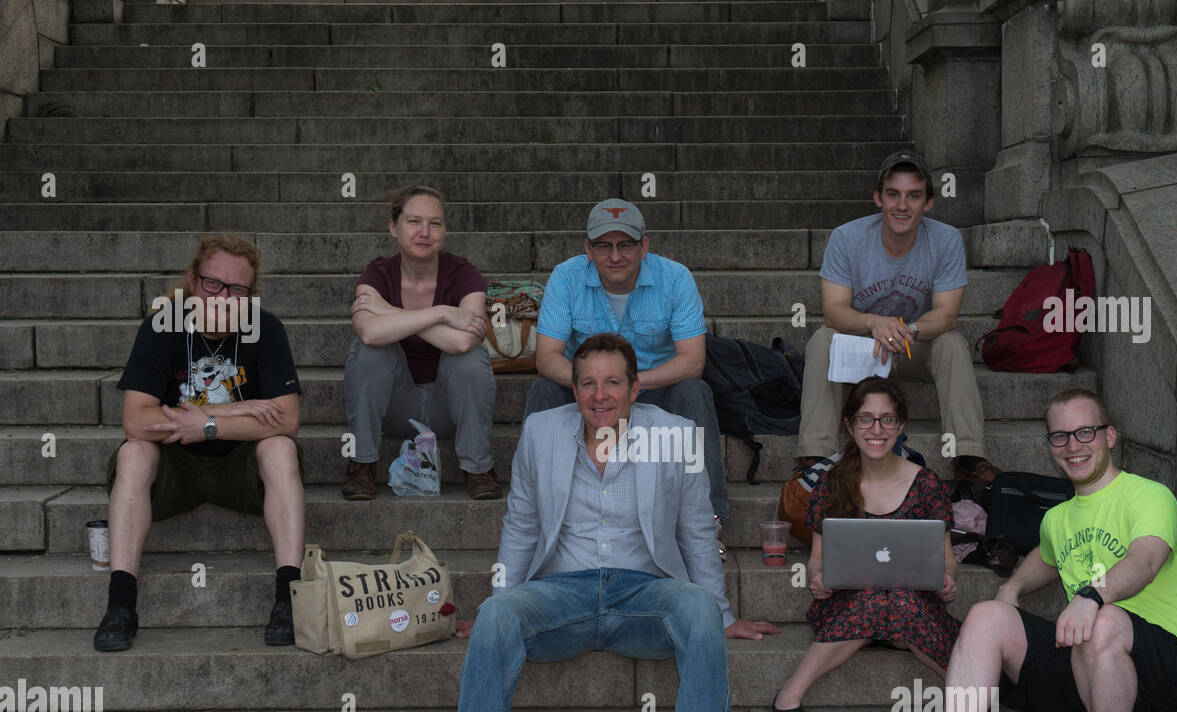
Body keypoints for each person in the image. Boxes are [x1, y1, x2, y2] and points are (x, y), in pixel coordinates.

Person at [437, 333, 779, 712]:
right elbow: (522, 524)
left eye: (613, 382)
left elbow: (697, 531)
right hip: (561, 595)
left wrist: (722, 615)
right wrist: (496, 604)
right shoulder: (540, 431)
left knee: (698, 605)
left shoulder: (678, 433)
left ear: (636, 388)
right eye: (589, 383)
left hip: (644, 596)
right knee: (499, 616)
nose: (601, 395)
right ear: (573, 391)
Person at [857, 388, 1177, 712]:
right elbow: (1043, 558)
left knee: (1104, 620)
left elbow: (1145, 560)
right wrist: (1012, 591)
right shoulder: (1058, 518)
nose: (1072, 446)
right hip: (1096, 678)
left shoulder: (1147, 496)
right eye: (1059, 437)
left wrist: (1092, 595)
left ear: (1110, 437)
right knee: (987, 615)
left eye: (1085, 432)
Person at [93, 234, 305, 651]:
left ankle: (290, 599)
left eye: (238, 289)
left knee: (279, 449)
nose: (224, 297)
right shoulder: (162, 326)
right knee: (134, 453)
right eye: (213, 284)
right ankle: (121, 605)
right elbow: (137, 421)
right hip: (176, 467)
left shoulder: (266, 328)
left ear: (250, 293)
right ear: (193, 281)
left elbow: (288, 421)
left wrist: (209, 421)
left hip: (240, 469)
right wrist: (243, 410)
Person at [524, 198, 729, 543]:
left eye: (626, 244)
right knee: (542, 391)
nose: (615, 256)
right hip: (591, 391)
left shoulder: (675, 277)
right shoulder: (566, 277)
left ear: (644, 246)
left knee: (695, 392)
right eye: (604, 245)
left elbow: (692, 362)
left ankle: (708, 521)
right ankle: (538, 517)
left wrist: (628, 386)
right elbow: (547, 358)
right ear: (587, 249)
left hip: (653, 386)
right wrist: (595, 386)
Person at [798, 150, 999, 487]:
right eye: (893, 194)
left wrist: (905, 330)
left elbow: (947, 315)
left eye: (913, 195)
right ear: (879, 198)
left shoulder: (946, 240)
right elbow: (834, 311)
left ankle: (968, 456)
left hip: (911, 346)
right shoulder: (847, 238)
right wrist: (876, 323)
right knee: (822, 340)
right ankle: (815, 457)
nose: (902, 206)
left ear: (929, 202)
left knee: (952, 343)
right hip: (863, 347)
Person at [772, 378, 959, 712]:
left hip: (913, 601)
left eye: (887, 419)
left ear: (900, 425)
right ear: (849, 425)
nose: (877, 429)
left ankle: (963, 690)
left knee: (899, 601)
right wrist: (818, 579)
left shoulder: (927, 483)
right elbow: (817, 557)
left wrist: (947, 579)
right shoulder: (831, 482)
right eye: (865, 418)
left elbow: (946, 557)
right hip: (849, 600)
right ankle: (791, 692)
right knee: (874, 598)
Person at [341, 184, 499, 501]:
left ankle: (478, 468)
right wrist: (441, 313)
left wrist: (388, 311)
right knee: (369, 352)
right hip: (397, 406)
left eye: (435, 223)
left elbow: (463, 342)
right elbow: (369, 333)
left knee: (469, 359)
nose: (424, 232)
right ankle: (362, 465)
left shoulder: (464, 274)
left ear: (444, 230)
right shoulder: (377, 273)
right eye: (413, 221)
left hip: (449, 408)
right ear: (393, 228)